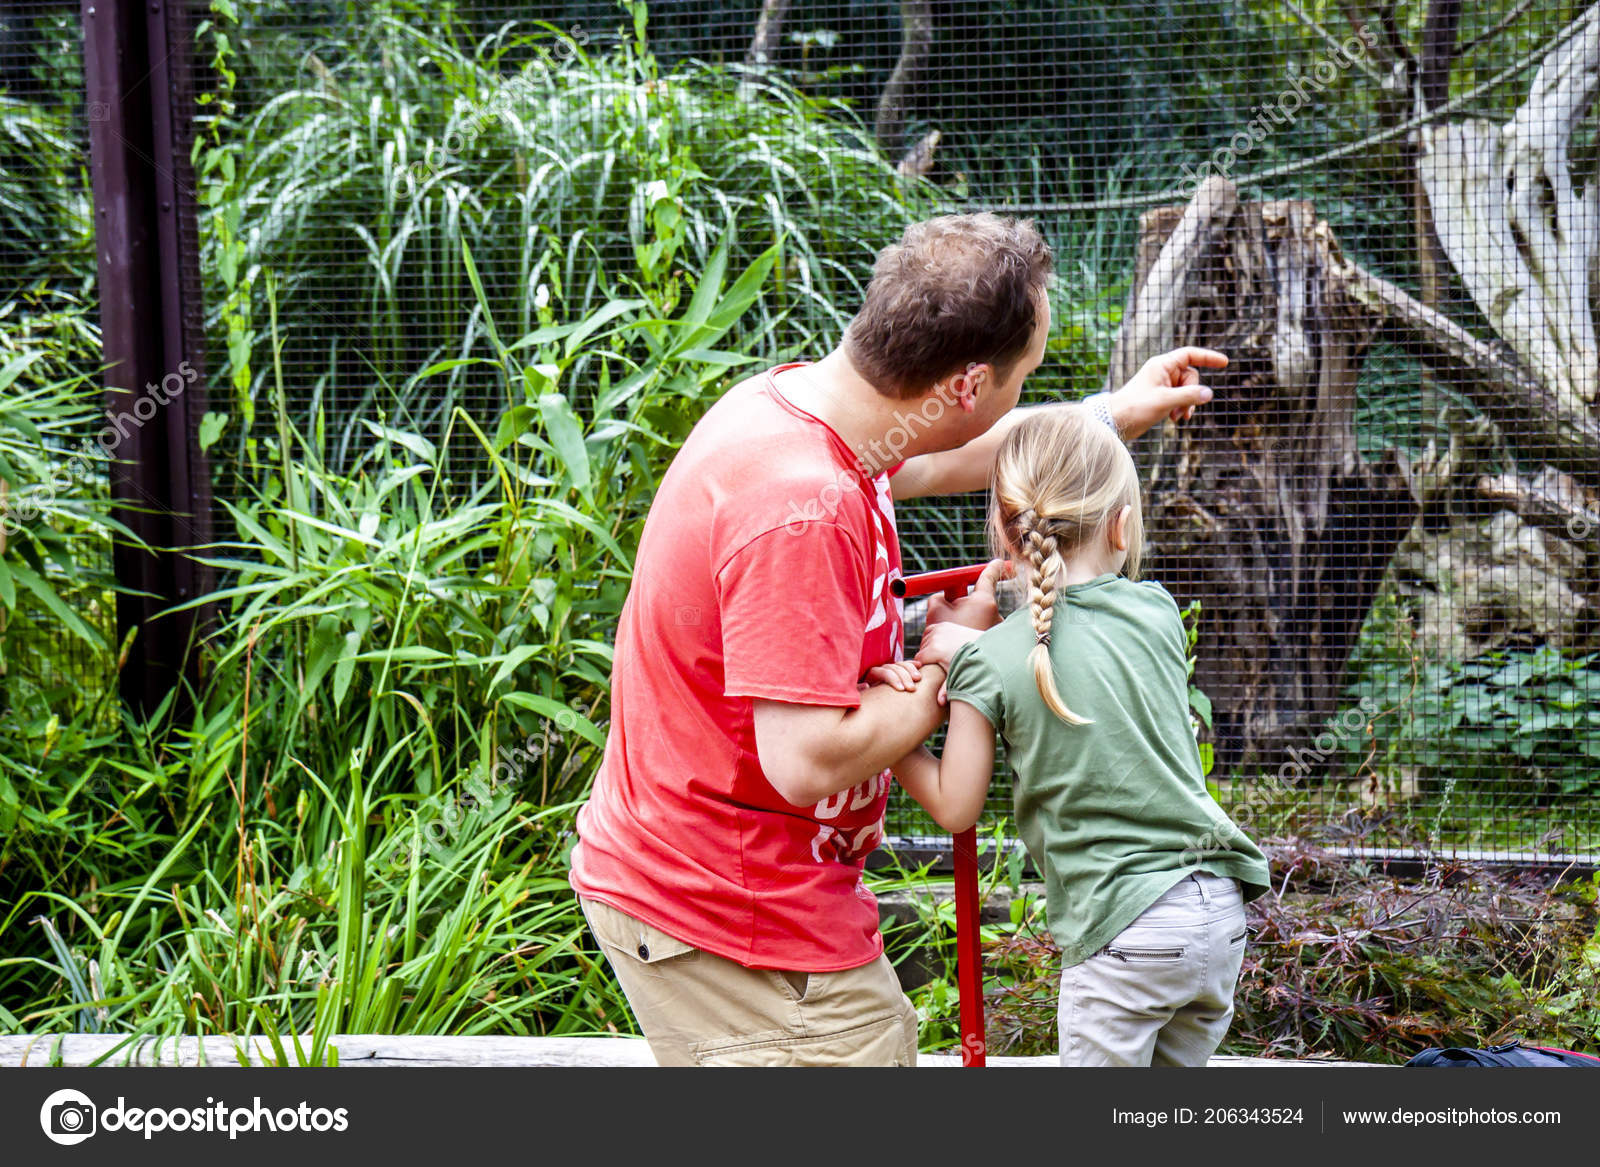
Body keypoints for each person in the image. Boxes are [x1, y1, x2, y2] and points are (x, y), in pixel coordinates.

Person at [568, 211, 1229, 1066]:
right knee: (870, 1048)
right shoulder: (805, 506)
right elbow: (804, 760)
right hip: (727, 903)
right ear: (966, 385)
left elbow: (946, 459)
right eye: (1022, 378)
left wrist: (1110, 415)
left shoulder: (820, 415)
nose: (1022, 394)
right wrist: (939, 669)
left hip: (744, 871)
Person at [874, 406, 1271, 1066]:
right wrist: (981, 643)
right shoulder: (1158, 613)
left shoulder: (991, 661)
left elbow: (954, 804)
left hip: (1126, 930)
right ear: (1122, 524)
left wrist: (906, 712)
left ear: (1006, 534)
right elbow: (1083, 650)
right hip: (1217, 914)